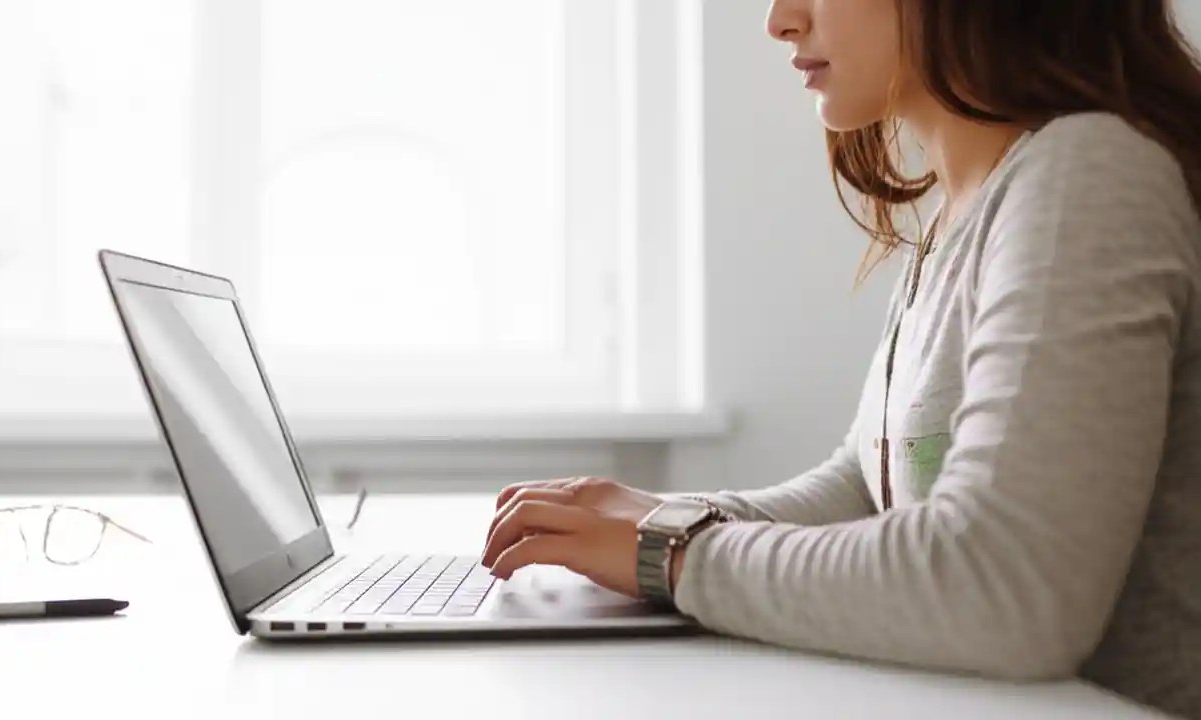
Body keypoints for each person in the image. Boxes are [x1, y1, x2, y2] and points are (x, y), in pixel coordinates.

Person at [479, 0, 1201, 717]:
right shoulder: (968, 214)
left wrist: (669, 553)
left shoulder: (1089, 175)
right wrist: (651, 521)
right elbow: (866, 485)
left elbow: (1004, 586)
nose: (781, 19)